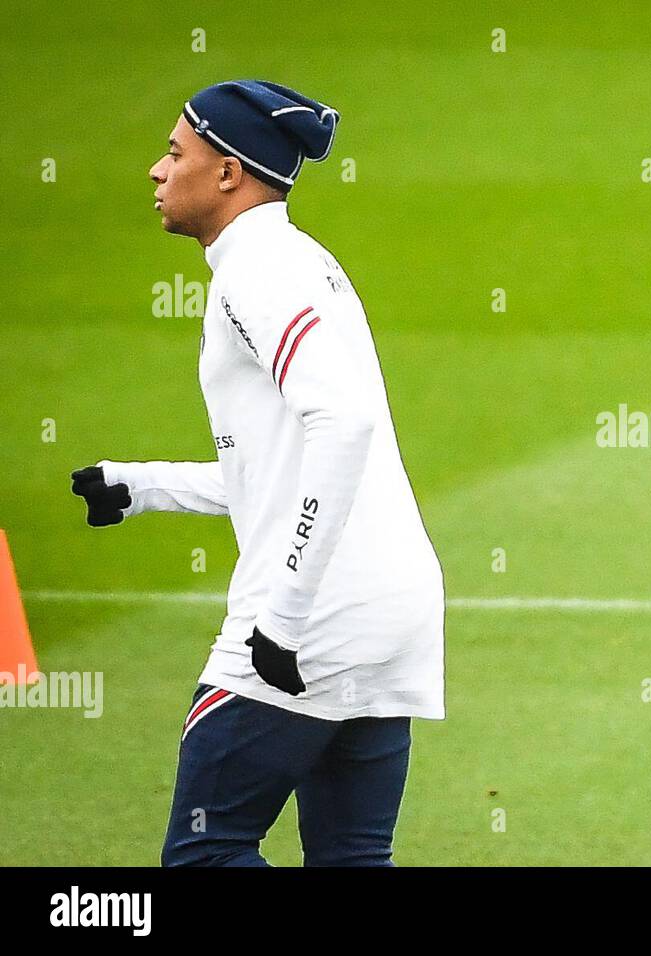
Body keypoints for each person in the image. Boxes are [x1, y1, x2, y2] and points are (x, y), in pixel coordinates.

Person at [69, 80, 444, 866]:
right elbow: (284, 464)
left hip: (313, 624)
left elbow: (344, 425)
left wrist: (285, 615)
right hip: (389, 612)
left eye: (176, 153)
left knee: (206, 855)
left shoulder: (259, 272)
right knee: (351, 859)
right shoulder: (300, 260)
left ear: (229, 172)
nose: (156, 171)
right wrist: (142, 485)